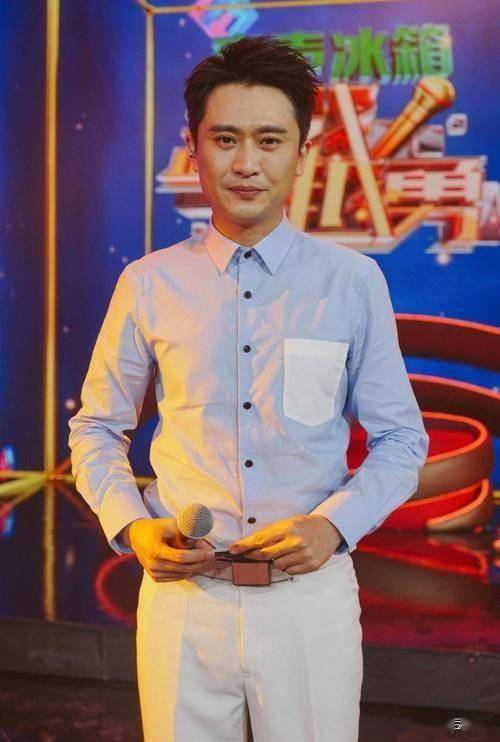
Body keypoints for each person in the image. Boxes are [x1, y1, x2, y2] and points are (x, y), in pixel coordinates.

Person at [68, 35, 429, 742]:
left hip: (309, 603)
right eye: (225, 139)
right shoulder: (148, 284)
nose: (246, 163)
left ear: (303, 151)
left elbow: (401, 440)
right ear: (193, 148)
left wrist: (334, 525)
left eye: (269, 140)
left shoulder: (351, 282)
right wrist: (134, 526)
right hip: (183, 602)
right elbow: (96, 428)